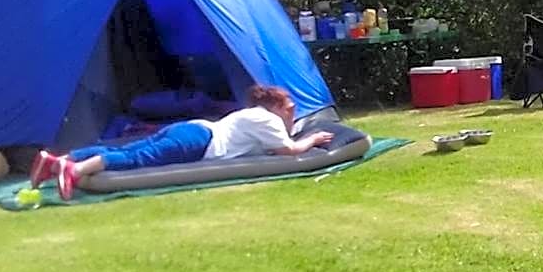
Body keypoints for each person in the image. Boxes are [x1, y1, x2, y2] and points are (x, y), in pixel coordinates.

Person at [30, 85, 333, 200]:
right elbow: (289, 150)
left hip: (191, 131)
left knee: (128, 149)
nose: (292, 112)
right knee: (139, 159)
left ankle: (59, 161)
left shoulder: (254, 116)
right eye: (290, 108)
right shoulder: (266, 119)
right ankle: (75, 170)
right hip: (199, 142)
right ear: (277, 107)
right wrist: (313, 139)